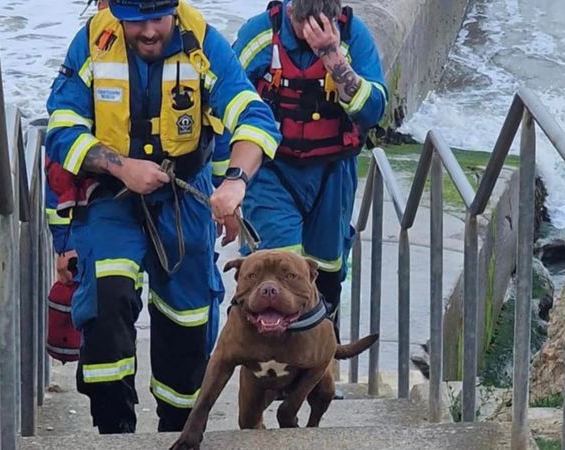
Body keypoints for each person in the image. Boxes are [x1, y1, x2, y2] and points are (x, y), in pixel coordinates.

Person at [44, 0, 280, 434]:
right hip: (110, 198)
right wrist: (120, 167)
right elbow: (61, 128)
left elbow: (253, 117)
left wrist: (234, 184)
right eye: (136, 22)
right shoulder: (93, 44)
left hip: (183, 199)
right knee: (106, 297)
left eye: (157, 19)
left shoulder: (204, 44)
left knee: (188, 320)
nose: (149, 32)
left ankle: (178, 430)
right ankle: (114, 433)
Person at [213, 0, 388, 341]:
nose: (308, 32)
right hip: (271, 171)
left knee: (327, 272)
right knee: (276, 269)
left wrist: (333, 56)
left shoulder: (355, 38)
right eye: (301, 22)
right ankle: (265, 361)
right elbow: (222, 108)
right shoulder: (260, 35)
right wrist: (227, 184)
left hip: (332, 174)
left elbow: (373, 110)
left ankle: (320, 363)